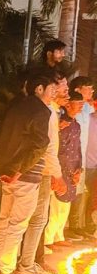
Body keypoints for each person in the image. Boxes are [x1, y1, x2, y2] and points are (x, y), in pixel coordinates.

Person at [0, 73, 57, 274]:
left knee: (4, 219)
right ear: (39, 89)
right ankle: (5, 269)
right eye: (51, 87)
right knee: (17, 222)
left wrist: (5, 168)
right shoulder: (41, 111)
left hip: (6, 171)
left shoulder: (16, 106)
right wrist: (20, 169)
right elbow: (39, 144)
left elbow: (3, 138)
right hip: (25, 174)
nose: (54, 91)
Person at [18, 72, 68, 274]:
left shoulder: (49, 110)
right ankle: (27, 263)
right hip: (41, 171)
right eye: (57, 86)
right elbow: (46, 147)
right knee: (36, 218)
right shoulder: (44, 112)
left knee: (35, 218)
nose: (62, 90)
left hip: (40, 169)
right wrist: (57, 174)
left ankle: (31, 261)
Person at [45, 93, 84, 248]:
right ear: (68, 105)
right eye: (78, 103)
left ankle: (58, 235)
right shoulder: (60, 124)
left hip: (72, 169)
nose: (82, 106)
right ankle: (47, 240)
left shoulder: (76, 125)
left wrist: (78, 169)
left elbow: (78, 148)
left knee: (65, 205)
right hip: (60, 169)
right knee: (55, 205)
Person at [66, 76, 95, 239]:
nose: (91, 91)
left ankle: (77, 225)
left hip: (84, 157)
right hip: (71, 156)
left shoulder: (88, 109)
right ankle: (69, 227)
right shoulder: (72, 109)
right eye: (88, 87)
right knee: (72, 190)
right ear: (77, 89)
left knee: (81, 191)